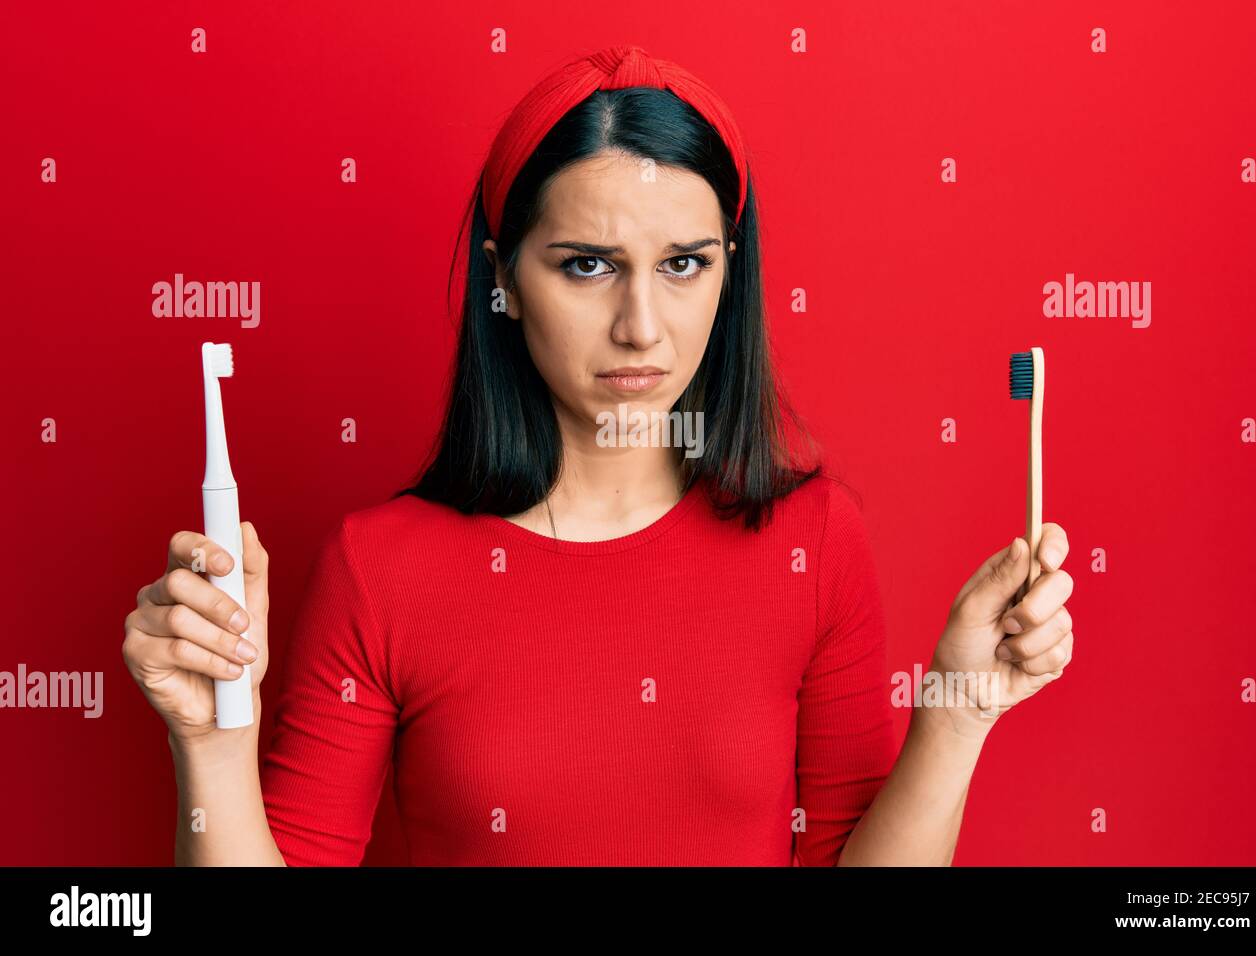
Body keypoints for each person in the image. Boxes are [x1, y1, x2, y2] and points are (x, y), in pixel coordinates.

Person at [122, 45, 1074, 866]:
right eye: (587, 264)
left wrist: (959, 710)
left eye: (683, 263)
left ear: (729, 272)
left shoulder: (815, 544)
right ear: (505, 280)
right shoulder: (379, 570)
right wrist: (208, 743)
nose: (641, 326)